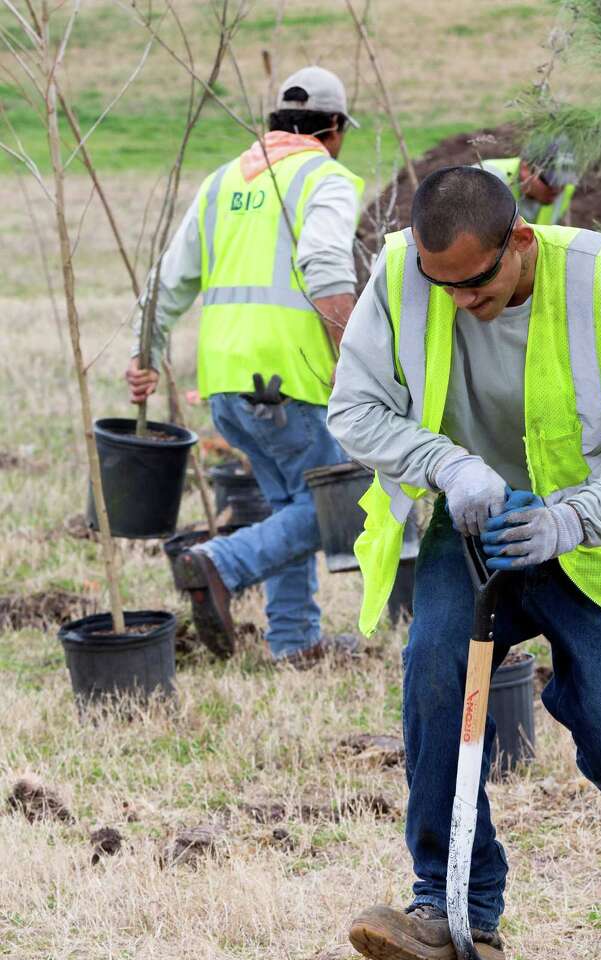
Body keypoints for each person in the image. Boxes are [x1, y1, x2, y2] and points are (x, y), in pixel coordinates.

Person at [328, 167, 601, 960]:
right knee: (434, 673)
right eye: (442, 285)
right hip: (477, 532)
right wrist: (447, 465)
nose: (459, 301)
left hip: (593, 540)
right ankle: (453, 903)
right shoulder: (401, 277)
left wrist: (570, 518)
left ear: (519, 242)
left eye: (476, 282)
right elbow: (352, 407)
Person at [126, 68, 364, 666]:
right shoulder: (324, 177)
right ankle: (221, 564)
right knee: (343, 506)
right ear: (333, 129)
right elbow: (329, 265)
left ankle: (293, 640)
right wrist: (352, 360)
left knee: (291, 504)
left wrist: (144, 356)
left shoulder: (222, 182)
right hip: (294, 375)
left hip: (230, 381)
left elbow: (168, 280)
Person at [481, 138, 577, 226]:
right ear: (525, 169)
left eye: (563, 182)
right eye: (550, 182)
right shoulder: (485, 179)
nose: (558, 189)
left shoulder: (567, 189)